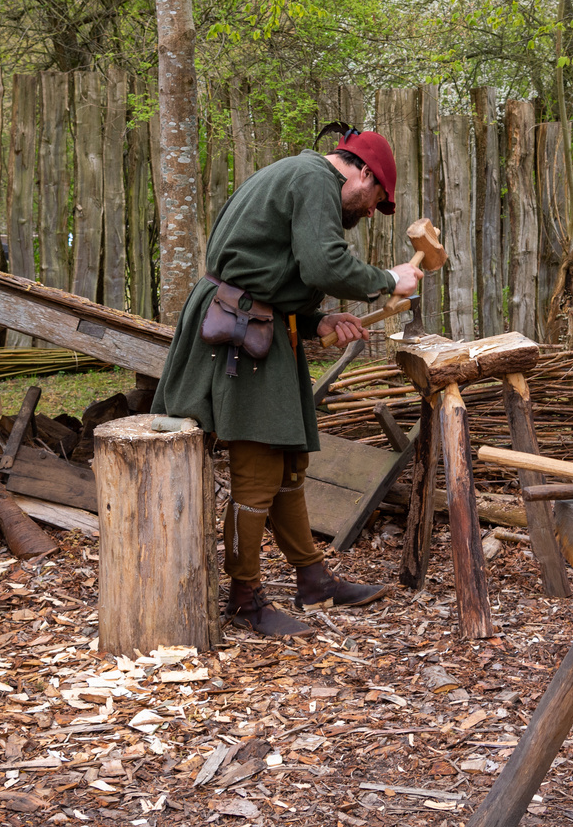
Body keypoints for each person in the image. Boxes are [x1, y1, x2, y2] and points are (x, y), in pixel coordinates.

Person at [154, 127, 424, 636]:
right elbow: (323, 262)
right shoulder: (313, 178)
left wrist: (316, 317)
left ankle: (313, 580)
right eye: (376, 199)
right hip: (240, 331)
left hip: (263, 322)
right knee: (257, 467)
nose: (370, 212)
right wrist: (388, 280)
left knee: (286, 459)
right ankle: (244, 598)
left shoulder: (300, 176)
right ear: (361, 171)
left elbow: (274, 263)